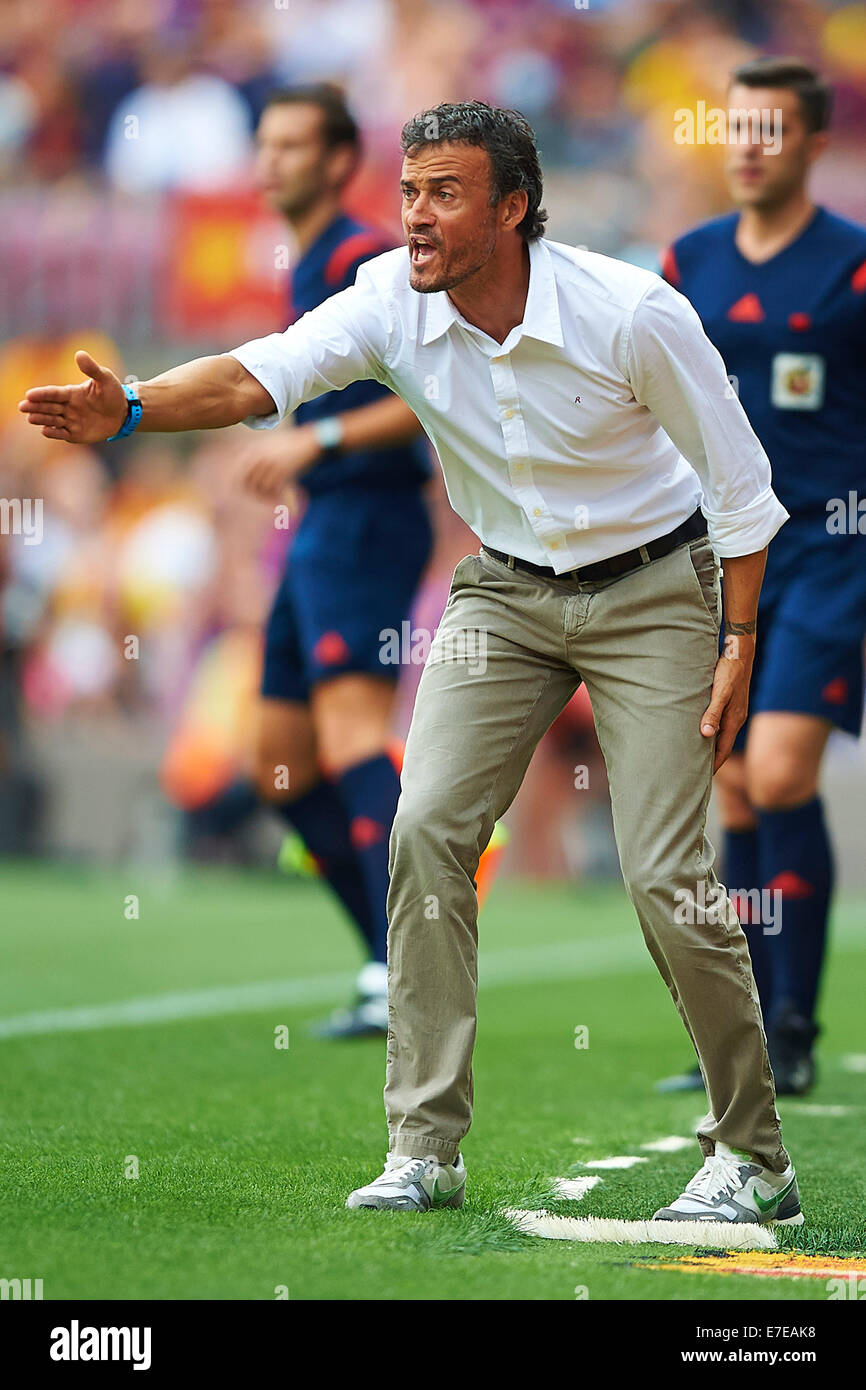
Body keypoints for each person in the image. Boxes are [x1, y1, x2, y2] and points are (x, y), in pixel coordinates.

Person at [20, 101, 801, 1227]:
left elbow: (739, 491)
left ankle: (752, 1155)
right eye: (408, 193)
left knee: (662, 876)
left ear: (514, 208)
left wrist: (736, 644)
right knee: (425, 825)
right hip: (505, 589)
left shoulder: (633, 312)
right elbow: (258, 376)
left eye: (443, 194)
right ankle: (423, 1146)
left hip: (655, 589)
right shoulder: (390, 295)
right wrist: (133, 406)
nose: (415, 218)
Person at [657, 58, 866, 1096]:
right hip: (715, 552)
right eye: (733, 127)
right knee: (733, 786)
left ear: (812, 143)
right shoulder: (684, 260)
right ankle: (751, 1032)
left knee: (778, 771)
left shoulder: (854, 267)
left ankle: (791, 1015)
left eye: (768, 129)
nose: (744, 145)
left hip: (829, 548)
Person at [240, 84, 432, 1038]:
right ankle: (382, 959)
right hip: (323, 520)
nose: (269, 159)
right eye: (263, 142)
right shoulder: (307, 260)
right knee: (276, 761)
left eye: (290, 144)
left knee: (355, 735)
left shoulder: (365, 258)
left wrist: (316, 446)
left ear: (339, 158)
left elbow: (427, 395)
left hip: (367, 515)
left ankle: (414, 963)